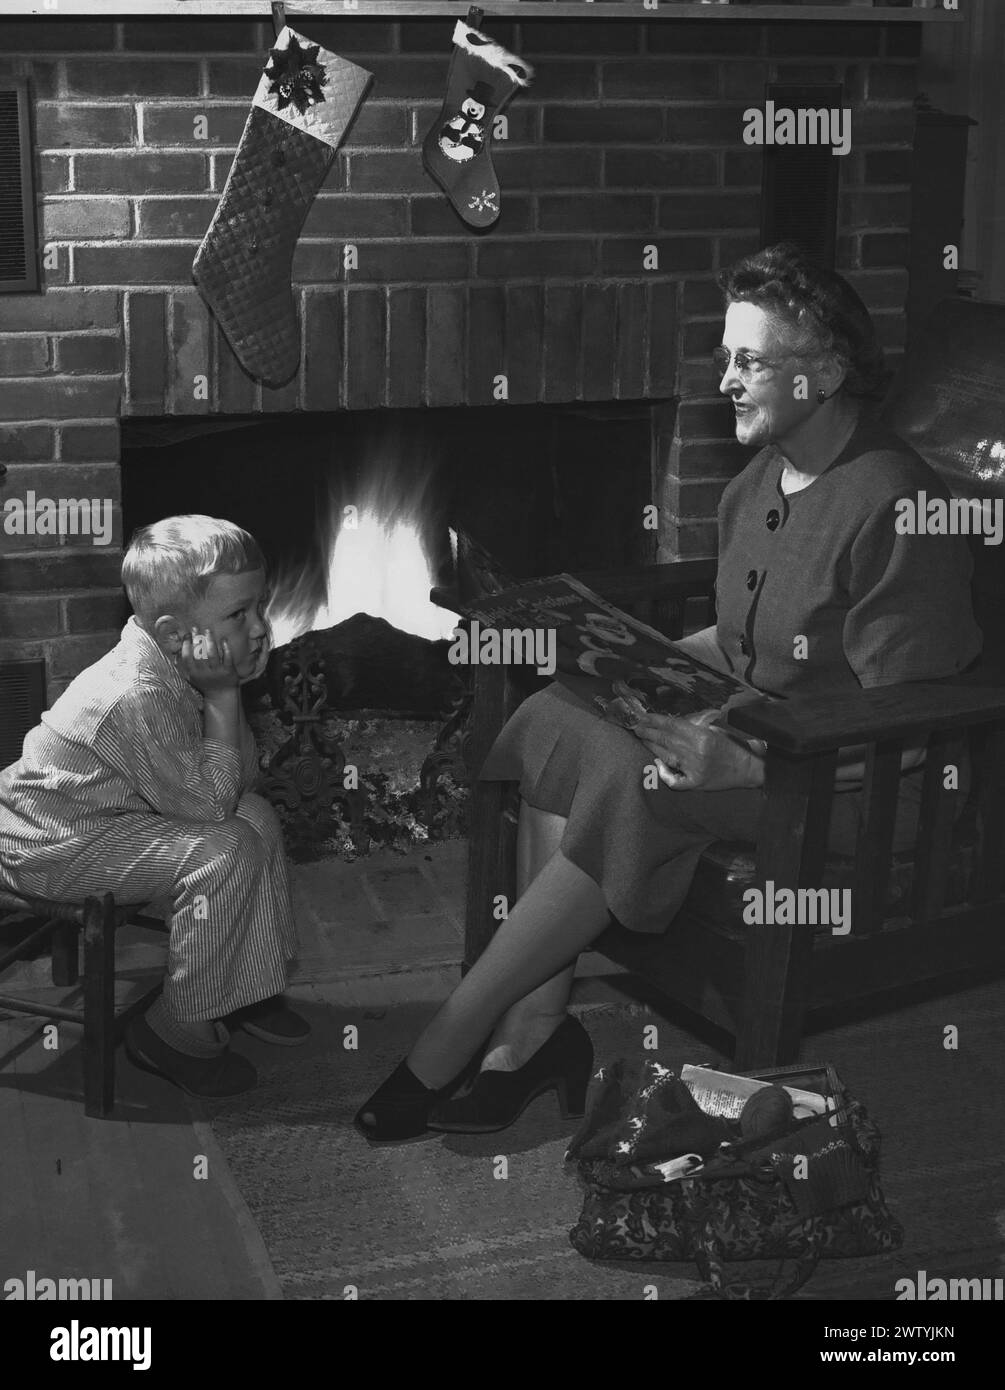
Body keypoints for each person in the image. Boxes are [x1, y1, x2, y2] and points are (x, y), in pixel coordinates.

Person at [354, 241, 983, 1143]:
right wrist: (615, 660)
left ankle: (455, 1034)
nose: (724, 379)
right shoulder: (756, 483)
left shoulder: (895, 503)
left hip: (866, 786)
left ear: (827, 372)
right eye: (723, 356)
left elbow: (910, 721)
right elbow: (738, 643)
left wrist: (746, 756)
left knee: (638, 784)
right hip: (774, 741)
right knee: (557, 716)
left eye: (750, 360)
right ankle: (531, 1034)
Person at [0, 514, 309, 1099]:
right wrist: (225, 693)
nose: (261, 627)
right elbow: (211, 808)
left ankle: (241, 986)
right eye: (238, 615)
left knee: (258, 817)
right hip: (48, 845)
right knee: (224, 849)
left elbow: (238, 780)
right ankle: (172, 1034)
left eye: (257, 606)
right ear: (173, 633)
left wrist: (225, 694)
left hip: (108, 820)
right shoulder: (135, 696)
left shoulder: (175, 662)